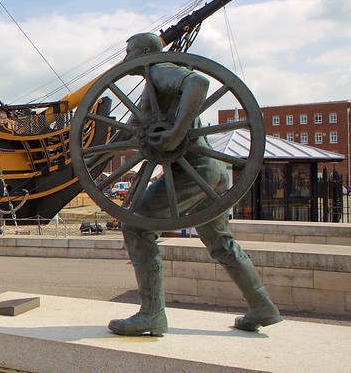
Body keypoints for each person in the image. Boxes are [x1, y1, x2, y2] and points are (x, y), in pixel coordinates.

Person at [108, 33, 282, 337]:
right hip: (209, 173)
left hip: (190, 172)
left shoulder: (160, 70)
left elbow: (198, 83)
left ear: (145, 52)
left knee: (136, 228)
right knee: (221, 243)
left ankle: (152, 313)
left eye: (129, 51)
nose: (126, 57)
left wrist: (176, 132)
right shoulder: (153, 86)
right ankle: (261, 305)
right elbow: (130, 131)